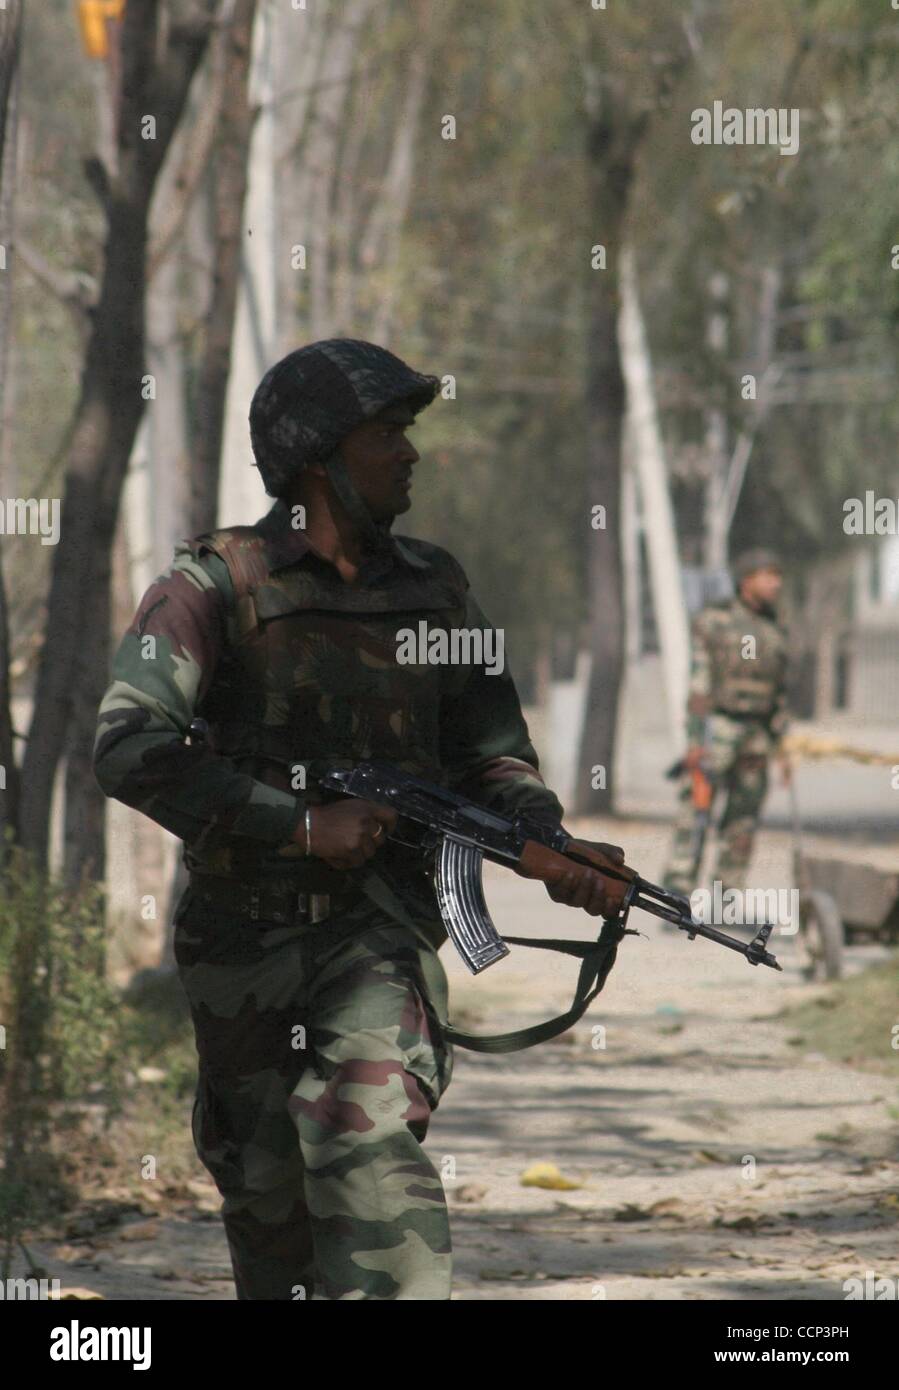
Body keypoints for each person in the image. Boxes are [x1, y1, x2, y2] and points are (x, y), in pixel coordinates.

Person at [94, 338, 627, 1301]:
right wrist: (297, 827)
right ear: (317, 458)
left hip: (380, 934)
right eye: (389, 434)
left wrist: (544, 843)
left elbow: (489, 754)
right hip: (240, 945)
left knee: (367, 1139)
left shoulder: (436, 587)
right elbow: (129, 748)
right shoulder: (213, 587)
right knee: (269, 1208)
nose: (410, 454)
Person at [664, 548, 790, 901]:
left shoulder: (775, 627)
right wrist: (694, 740)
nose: (775, 583)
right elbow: (700, 683)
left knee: (744, 818)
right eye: (768, 575)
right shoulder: (715, 621)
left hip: (758, 735)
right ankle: (677, 891)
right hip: (717, 730)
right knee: (697, 808)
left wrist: (782, 744)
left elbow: (780, 690)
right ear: (746, 580)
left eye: (777, 576)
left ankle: (727, 895)